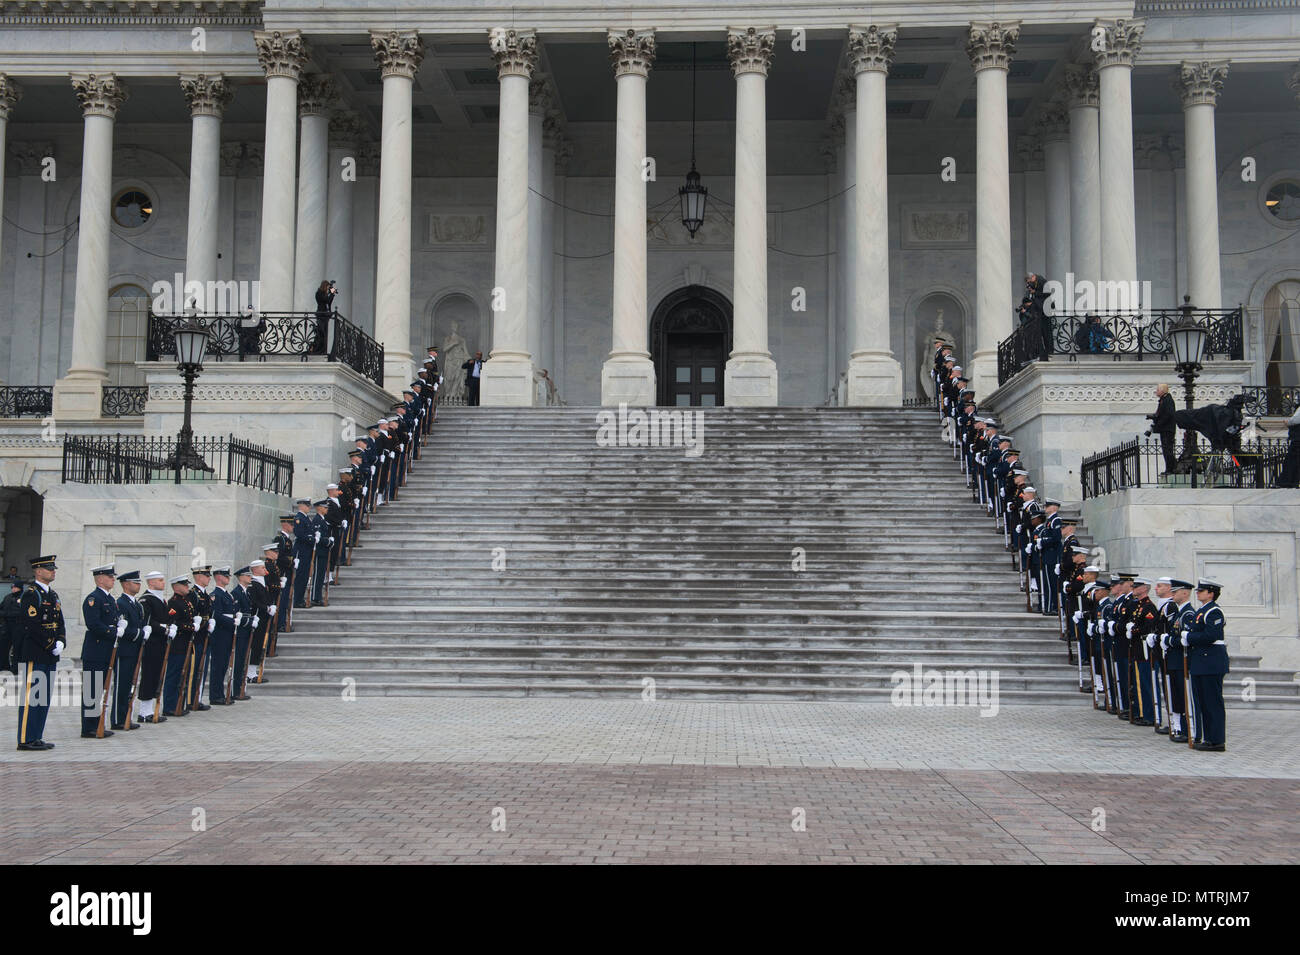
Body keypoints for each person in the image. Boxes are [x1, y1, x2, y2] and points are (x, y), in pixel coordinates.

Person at [15, 555, 64, 752]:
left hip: (50, 653)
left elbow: (60, 621)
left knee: (43, 697)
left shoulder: (52, 595)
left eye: (53, 568)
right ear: (37, 571)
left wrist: (61, 640)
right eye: (48, 568)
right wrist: (51, 643)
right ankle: (25, 738)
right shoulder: (31, 594)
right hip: (35, 652)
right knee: (31, 697)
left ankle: (37, 736)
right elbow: (31, 625)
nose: (53, 571)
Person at [1183, 579, 1229, 751]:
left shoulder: (1214, 612)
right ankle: (1209, 738)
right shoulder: (1202, 611)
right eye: (1198, 590)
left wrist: (1189, 637)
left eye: (1201, 591)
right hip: (1201, 662)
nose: (1198, 593)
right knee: (1203, 702)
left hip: (1211, 662)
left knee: (1212, 703)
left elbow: (1211, 635)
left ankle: (1217, 740)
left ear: (1211, 593)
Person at [79, 564, 123, 739]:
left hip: (106, 652)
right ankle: (89, 727)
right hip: (95, 652)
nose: (113, 579)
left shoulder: (111, 599)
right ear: (100, 579)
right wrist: (113, 631)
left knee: (102, 690)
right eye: (110, 576)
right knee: (92, 690)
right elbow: (94, 624)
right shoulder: (93, 599)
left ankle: (97, 723)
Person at [136, 570, 173, 723]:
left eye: (163, 580)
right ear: (151, 583)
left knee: (157, 676)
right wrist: (165, 628)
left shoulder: (161, 600)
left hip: (161, 644)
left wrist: (170, 627)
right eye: (159, 580)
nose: (163, 583)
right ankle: (144, 712)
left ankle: (150, 709)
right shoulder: (147, 599)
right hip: (151, 644)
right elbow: (148, 622)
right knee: (149, 676)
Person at [1162, 579, 1195, 743]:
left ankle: (1187, 728)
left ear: (1185, 593)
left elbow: (1184, 640)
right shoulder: (1177, 612)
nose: (1172, 594)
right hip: (1173, 659)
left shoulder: (1188, 613)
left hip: (1182, 660)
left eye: (1175, 592)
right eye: (1172, 591)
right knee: (1175, 695)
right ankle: (1178, 726)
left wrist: (1168, 641)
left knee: (1183, 696)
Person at [112, 570, 146, 731]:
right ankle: (118, 718)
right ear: (125, 584)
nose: (138, 585)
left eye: (139, 582)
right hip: (124, 651)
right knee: (121, 685)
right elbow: (124, 629)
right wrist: (140, 633)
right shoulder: (121, 603)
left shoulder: (137, 604)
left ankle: (126, 716)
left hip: (135, 650)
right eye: (135, 582)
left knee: (129, 685)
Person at [162, 575, 197, 717]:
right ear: (176, 587)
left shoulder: (186, 601)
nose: (187, 587)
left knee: (183, 675)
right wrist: (191, 626)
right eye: (184, 585)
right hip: (178, 644)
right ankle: (169, 706)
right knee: (174, 675)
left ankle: (178, 704)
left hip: (186, 644)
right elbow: (174, 622)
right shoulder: (173, 603)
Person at [187, 566, 215, 712]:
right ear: (198, 577)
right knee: (194, 670)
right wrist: (203, 623)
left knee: (202, 669)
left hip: (205, 637)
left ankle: (197, 697)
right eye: (206, 575)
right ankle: (190, 699)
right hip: (197, 638)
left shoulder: (205, 594)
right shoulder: (193, 594)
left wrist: (210, 622)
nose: (209, 578)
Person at [208, 566, 236, 705]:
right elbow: (217, 615)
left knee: (223, 665)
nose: (228, 578)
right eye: (226, 576)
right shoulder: (216, 595)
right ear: (218, 577)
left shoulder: (227, 595)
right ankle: (215, 695)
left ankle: (220, 693)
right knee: (218, 666)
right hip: (220, 635)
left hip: (228, 634)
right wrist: (232, 621)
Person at [230, 567, 255, 701]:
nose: (250, 577)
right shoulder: (236, 593)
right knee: (238, 662)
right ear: (240, 577)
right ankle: (235, 690)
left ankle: (240, 689)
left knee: (243, 661)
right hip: (239, 633)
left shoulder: (246, 592)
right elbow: (237, 615)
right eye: (247, 575)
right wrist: (249, 621)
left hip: (246, 633)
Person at [1147, 383, 1178, 474]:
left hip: (1167, 429)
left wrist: (1158, 424)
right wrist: (1154, 417)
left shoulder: (1167, 400)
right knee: (1166, 450)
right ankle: (1169, 468)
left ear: (1163, 390)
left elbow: (1168, 415)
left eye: (1158, 390)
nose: (1156, 391)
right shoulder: (1163, 400)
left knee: (1168, 450)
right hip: (1165, 429)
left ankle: (1171, 469)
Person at [292, 498, 315, 608]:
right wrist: (311, 539)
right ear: (301, 506)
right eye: (307, 505)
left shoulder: (306, 518)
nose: (309, 507)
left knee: (305, 576)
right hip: (302, 550)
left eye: (309, 505)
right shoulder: (299, 518)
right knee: (301, 576)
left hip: (307, 550)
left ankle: (300, 599)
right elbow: (299, 534)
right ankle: (297, 600)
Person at [0, 577, 21, 675]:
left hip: (17, 626)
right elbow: (2, 608)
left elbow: (20, 612)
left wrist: (7, 614)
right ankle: (4, 666)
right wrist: (5, 614)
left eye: (15, 587)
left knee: (17, 649)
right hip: (6, 626)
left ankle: (15, 668)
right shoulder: (7, 597)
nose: (13, 589)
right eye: (12, 587)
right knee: (3, 647)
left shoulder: (23, 598)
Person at [314, 279, 336, 356]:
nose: (328, 288)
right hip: (321, 315)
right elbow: (325, 300)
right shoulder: (319, 293)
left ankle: (323, 349)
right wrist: (331, 293)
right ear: (324, 286)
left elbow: (329, 302)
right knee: (321, 332)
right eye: (327, 287)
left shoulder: (325, 294)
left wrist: (332, 292)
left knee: (325, 333)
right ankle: (317, 349)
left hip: (326, 315)